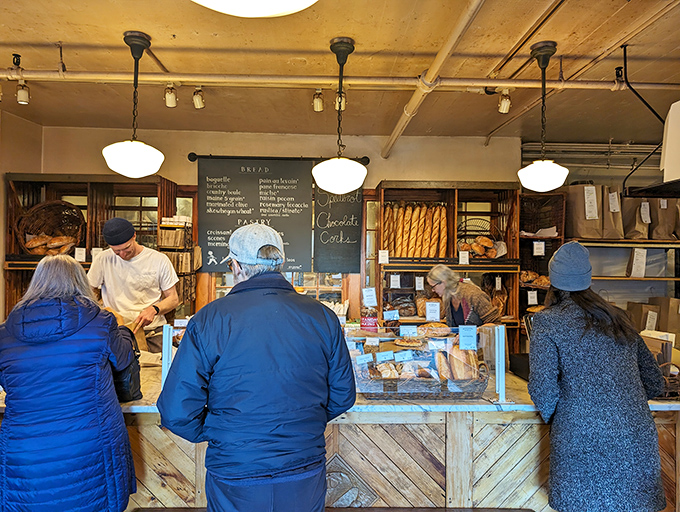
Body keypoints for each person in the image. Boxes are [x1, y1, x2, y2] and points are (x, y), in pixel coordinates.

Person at [157, 223, 356, 512]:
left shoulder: (209, 320)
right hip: (303, 468)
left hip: (235, 472)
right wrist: (302, 424)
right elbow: (342, 396)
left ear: (235, 265)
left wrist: (220, 432)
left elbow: (176, 411)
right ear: (281, 264)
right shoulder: (323, 316)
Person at [528, 241, 666, 512]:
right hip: (633, 438)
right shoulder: (619, 317)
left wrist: (574, 411)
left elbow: (543, 392)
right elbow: (655, 382)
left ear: (553, 282)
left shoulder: (547, 321)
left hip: (581, 440)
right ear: (587, 280)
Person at [0, 254, 137, 512]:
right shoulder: (100, 323)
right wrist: (125, 334)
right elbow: (122, 360)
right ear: (80, 282)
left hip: (25, 452)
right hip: (90, 446)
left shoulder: (5, 333)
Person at [88, 217, 180, 352]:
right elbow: (88, 292)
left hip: (152, 331)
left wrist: (154, 309)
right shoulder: (102, 259)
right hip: (117, 330)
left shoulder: (158, 260)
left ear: (134, 236)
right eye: (117, 251)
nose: (123, 254)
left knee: (159, 369)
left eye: (126, 248)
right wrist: (101, 309)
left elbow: (173, 299)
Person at [426, 264, 501, 326]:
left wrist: (475, 332)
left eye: (433, 286)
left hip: (481, 342)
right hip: (463, 343)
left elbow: (495, 323)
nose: (432, 290)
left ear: (444, 283)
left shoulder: (474, 295)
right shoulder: (447, 298)